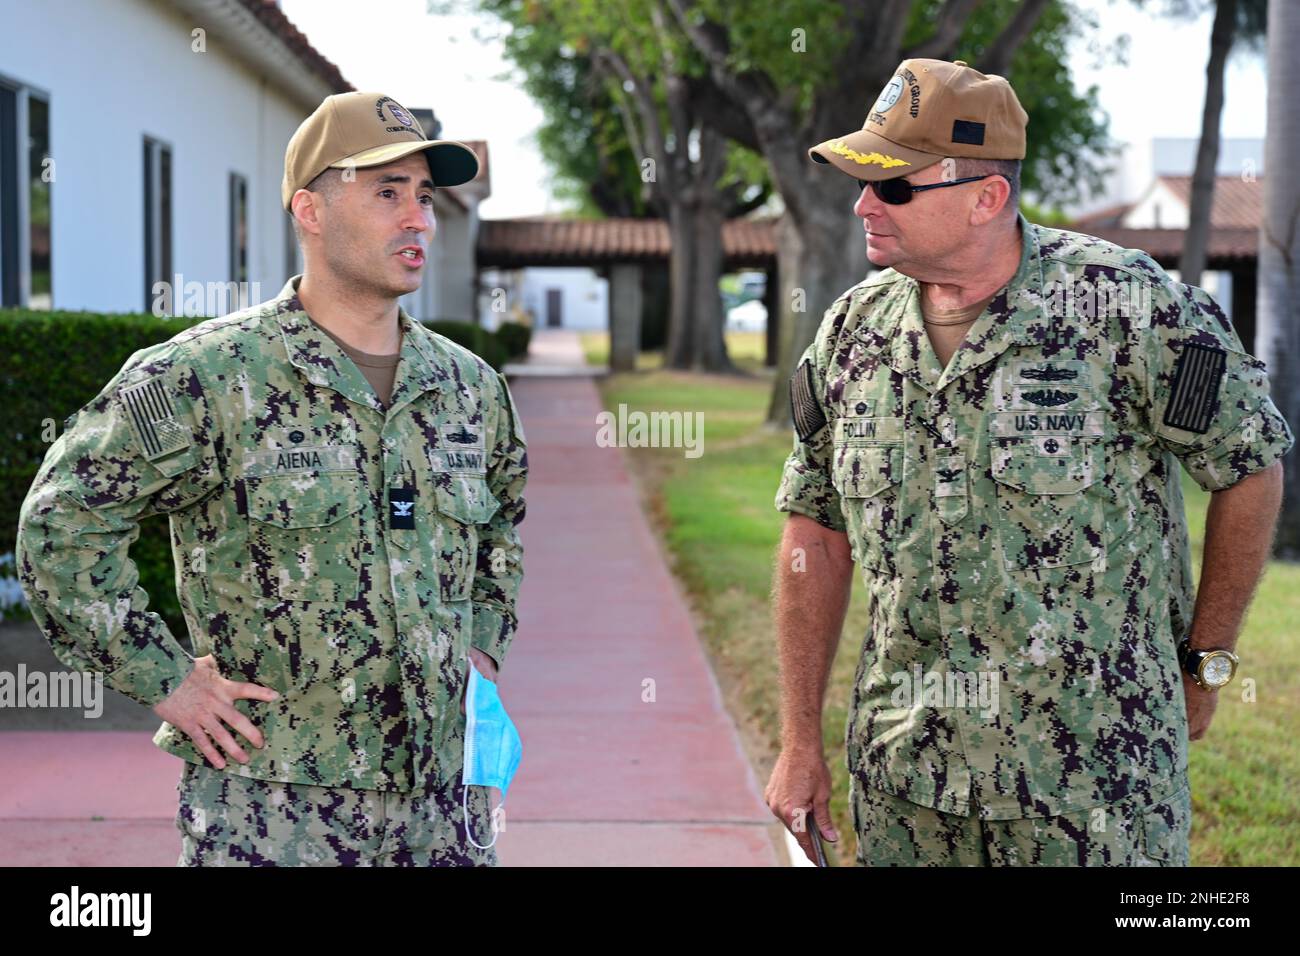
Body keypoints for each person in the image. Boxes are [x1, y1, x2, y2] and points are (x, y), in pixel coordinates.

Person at [767, 58, 1292, 866]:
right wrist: (800, 737)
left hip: (1094, 793)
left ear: (986, 198)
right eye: (861, 182)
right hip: (907, 789)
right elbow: (815, 532)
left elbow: (1250, 466)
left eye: (894, 186)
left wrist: (1207, 657)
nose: (864, 204)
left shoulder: (1127, 307)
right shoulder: (850, 333)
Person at [15, 92, 528, 866]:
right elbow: (61, 527)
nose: (419, 218)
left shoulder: (470, 388)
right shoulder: (207, 377)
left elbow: (500, 525)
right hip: (275, 818)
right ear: (309, 211)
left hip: (442, 810)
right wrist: (165, 679)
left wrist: (480, 651)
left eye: (423, 196)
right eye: (387, 193)